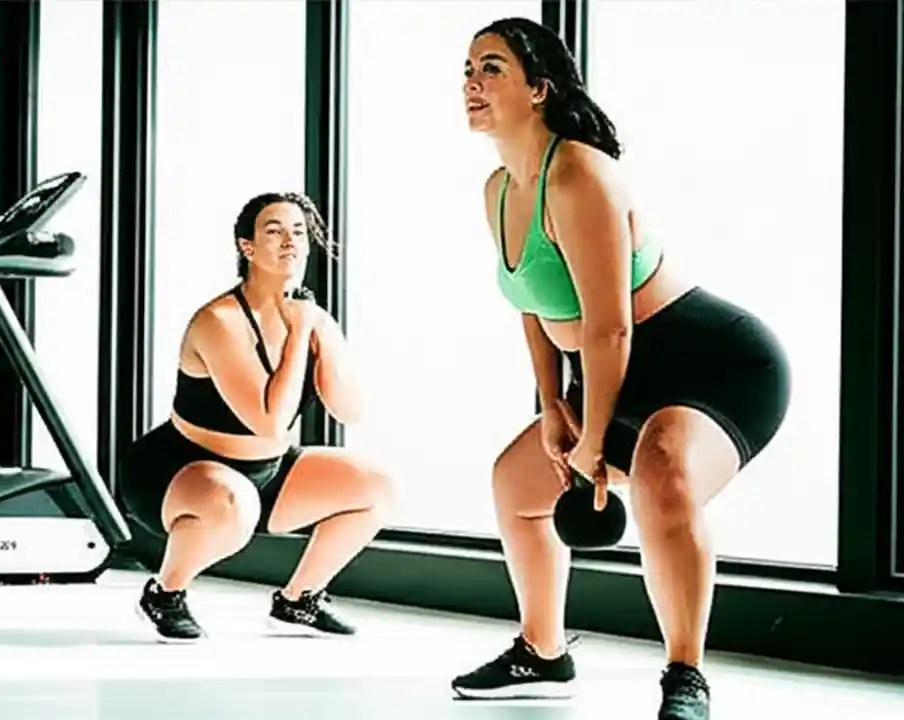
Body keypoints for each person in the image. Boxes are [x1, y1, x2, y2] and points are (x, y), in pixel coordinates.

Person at [448, 17, 790, 720]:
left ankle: (685, 677)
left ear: (539, 89)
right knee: (516, 481)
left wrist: (595, 440)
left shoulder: (579, 173)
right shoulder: (500, 189)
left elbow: (609, 327)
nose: (470, 83)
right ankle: (542, 651)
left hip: (712, 365)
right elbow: (534, 304)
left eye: (491, 69)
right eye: (468, 69)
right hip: (609, 368)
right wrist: (552, 406)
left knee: (662, 472)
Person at [118, 192, 396, 642]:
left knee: (376, 485)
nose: (290, 241)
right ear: (247, 247)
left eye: (299, 232)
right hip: (178, 471)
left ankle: (299, 601)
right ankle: (164, 593)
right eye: (274, 231)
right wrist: (301, 332)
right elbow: (267, 422)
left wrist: (319, 334)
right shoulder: (219, 322)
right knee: (234, 503)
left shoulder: (312, 318)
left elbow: (349, 409)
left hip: (265, 472)